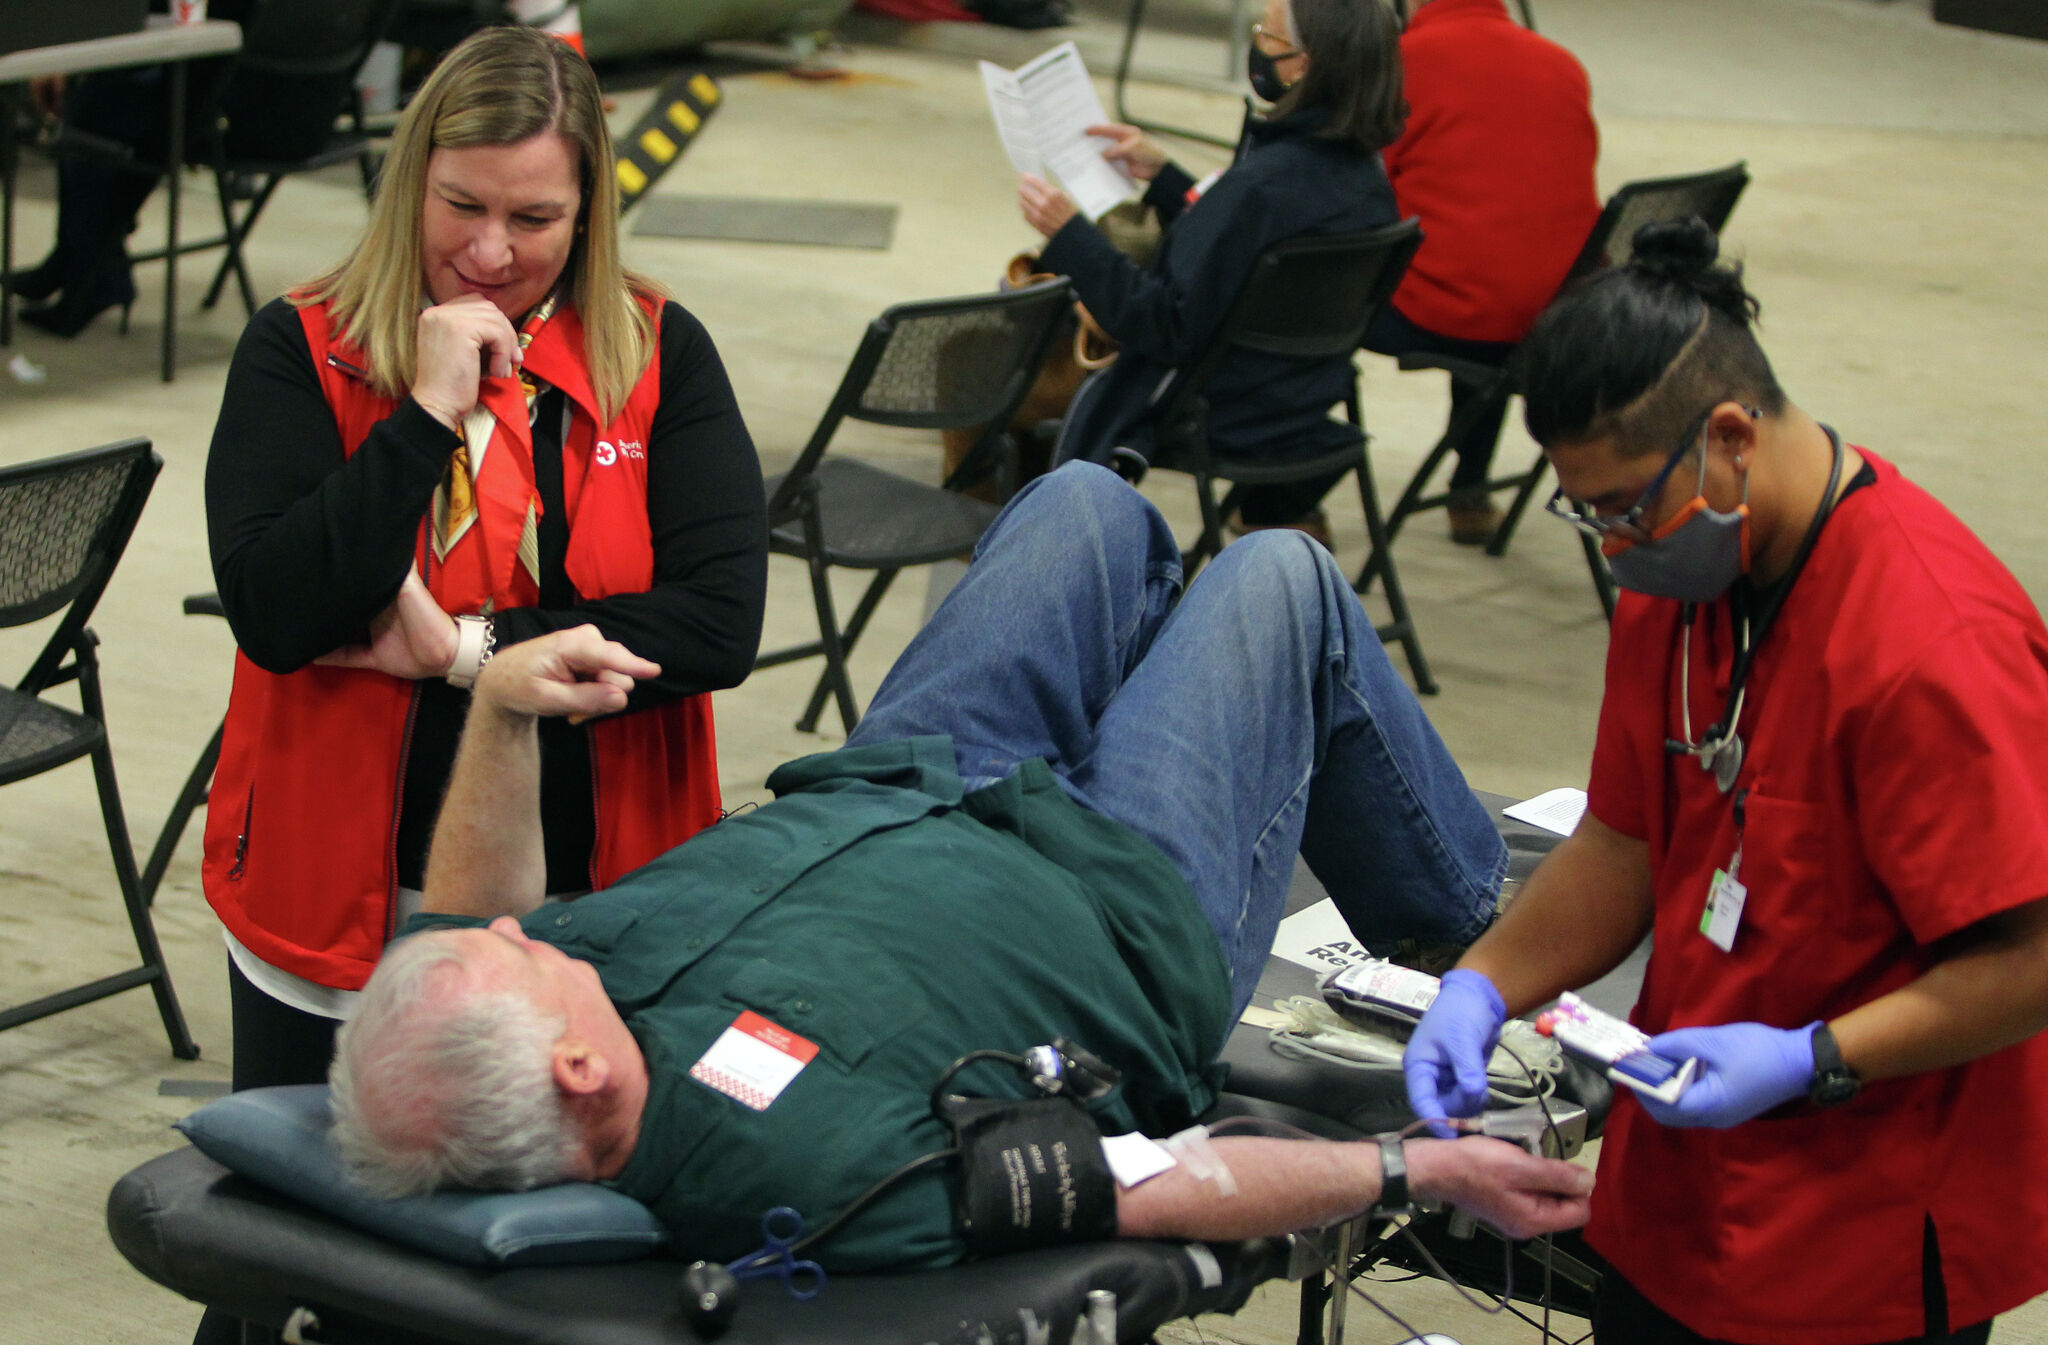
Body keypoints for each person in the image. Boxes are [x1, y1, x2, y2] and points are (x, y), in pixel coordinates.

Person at [326, 462, 1593, 1270]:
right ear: (579, 1071)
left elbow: (456, 919)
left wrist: (497, 705)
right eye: (514, 956)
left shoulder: (529, 1013)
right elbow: (1155, 1183)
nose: (515, 927)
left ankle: (1137, 689)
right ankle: (1468, 925)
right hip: (1119, 897)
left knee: (1081, 504)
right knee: (1280, 574)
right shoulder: (815, 1174)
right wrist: (1411, 1167)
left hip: (904, 781)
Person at [1401, 220, 2048, 1344]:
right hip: (1678, 1199)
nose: (1610, 547)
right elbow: (1620, 841)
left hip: (1861, 1237)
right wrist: (1478, 984)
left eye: (1619, 510)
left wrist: (1815, 1056)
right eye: (1584, 513)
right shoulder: (1683, 572)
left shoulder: (1930, 642)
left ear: (1730, 437)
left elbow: (2029, 958)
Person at [200, 27, 765, 1108]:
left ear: (589, 213)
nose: (493, 253)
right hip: (342, 893)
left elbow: (715, 622)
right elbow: (277, 609)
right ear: (411, 181)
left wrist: (466, 651)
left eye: (534, 219)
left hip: (596, 895)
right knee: (289, 1230)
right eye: (463, 206)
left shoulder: (655, 352)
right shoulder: (303, 347)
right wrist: (423, 414)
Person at [1015, 0, 1405, 540]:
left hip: (1204, 410)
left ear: (1303, 65)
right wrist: (1168, 178)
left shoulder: (1259, 188)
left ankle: (1020, 535)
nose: (1256, 45)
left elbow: (1162, 324)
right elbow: (1239, 245)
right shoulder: (1367, 180)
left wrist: (1068, 235)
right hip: (1297, 399)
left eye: (1266, 36)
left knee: (1020, 332)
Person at [1360, 0, 1599, 544]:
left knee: (1308, 297)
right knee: (1491, 271)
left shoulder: (1404, 59)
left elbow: (1358, 185)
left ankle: (1282, 500)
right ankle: (1469, 487)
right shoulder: (1563, 65)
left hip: (1444, 315)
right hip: (1549, 327)